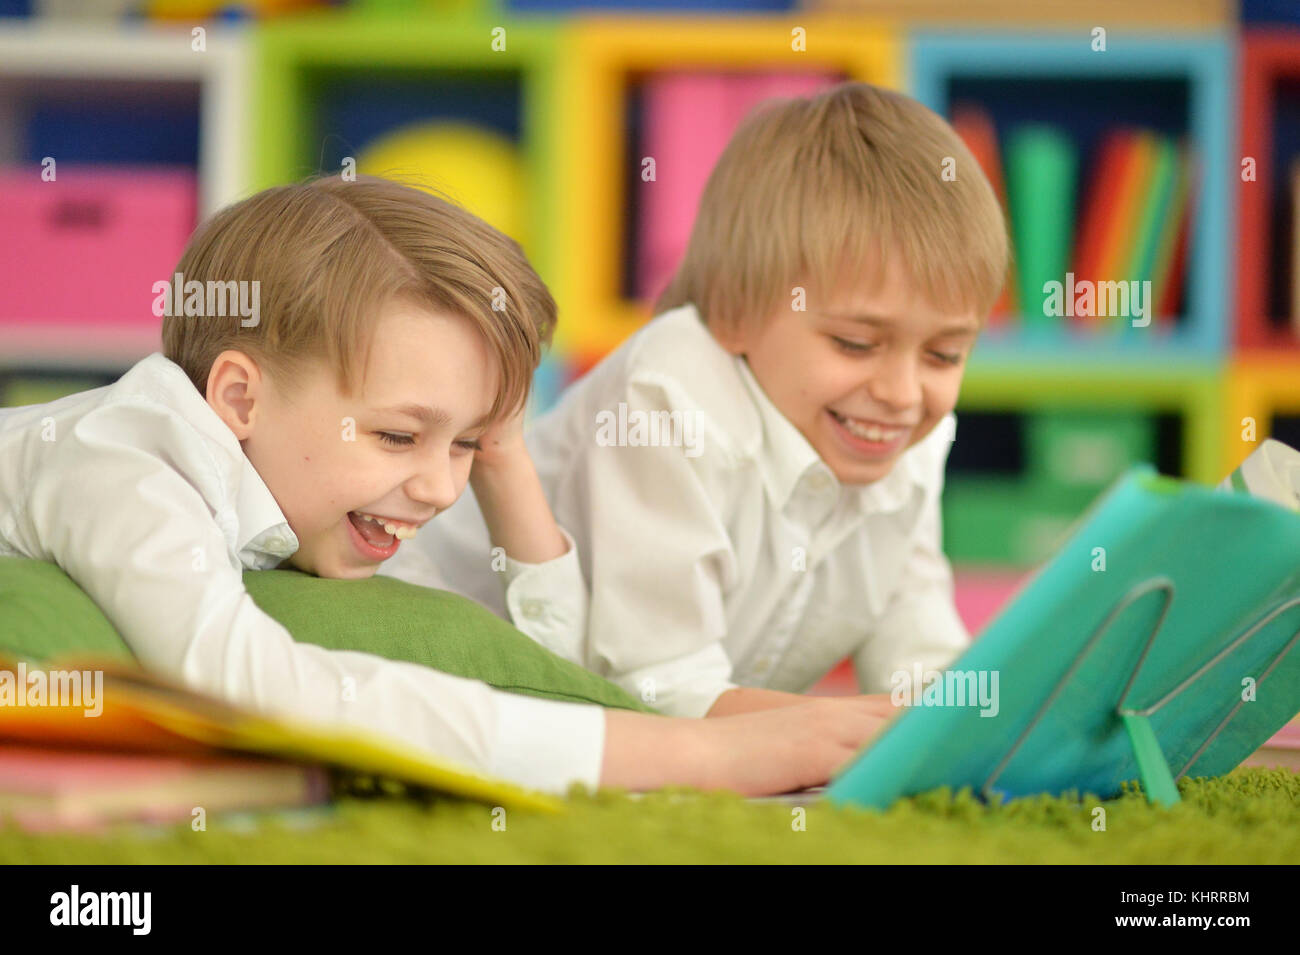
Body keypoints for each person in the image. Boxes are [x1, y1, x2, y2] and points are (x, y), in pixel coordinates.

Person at [0, 174, 891, 796]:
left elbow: (552, 674)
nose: (436, 486)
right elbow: (252, 687)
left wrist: (506, 473)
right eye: (397, 433)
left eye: (468, 441)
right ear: (240, 396)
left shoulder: (319, 507)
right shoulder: (124, 465)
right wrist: (699, 755)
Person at [391, 81, 1009, 719]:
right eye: (855, 344)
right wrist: (856, 728)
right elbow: (656, 688)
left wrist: (969, 713)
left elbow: (915, 636)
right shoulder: (670, 399)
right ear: (734, 314)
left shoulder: (910, 435)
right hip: (435, 652)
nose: (904, 395)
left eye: (944, 355)